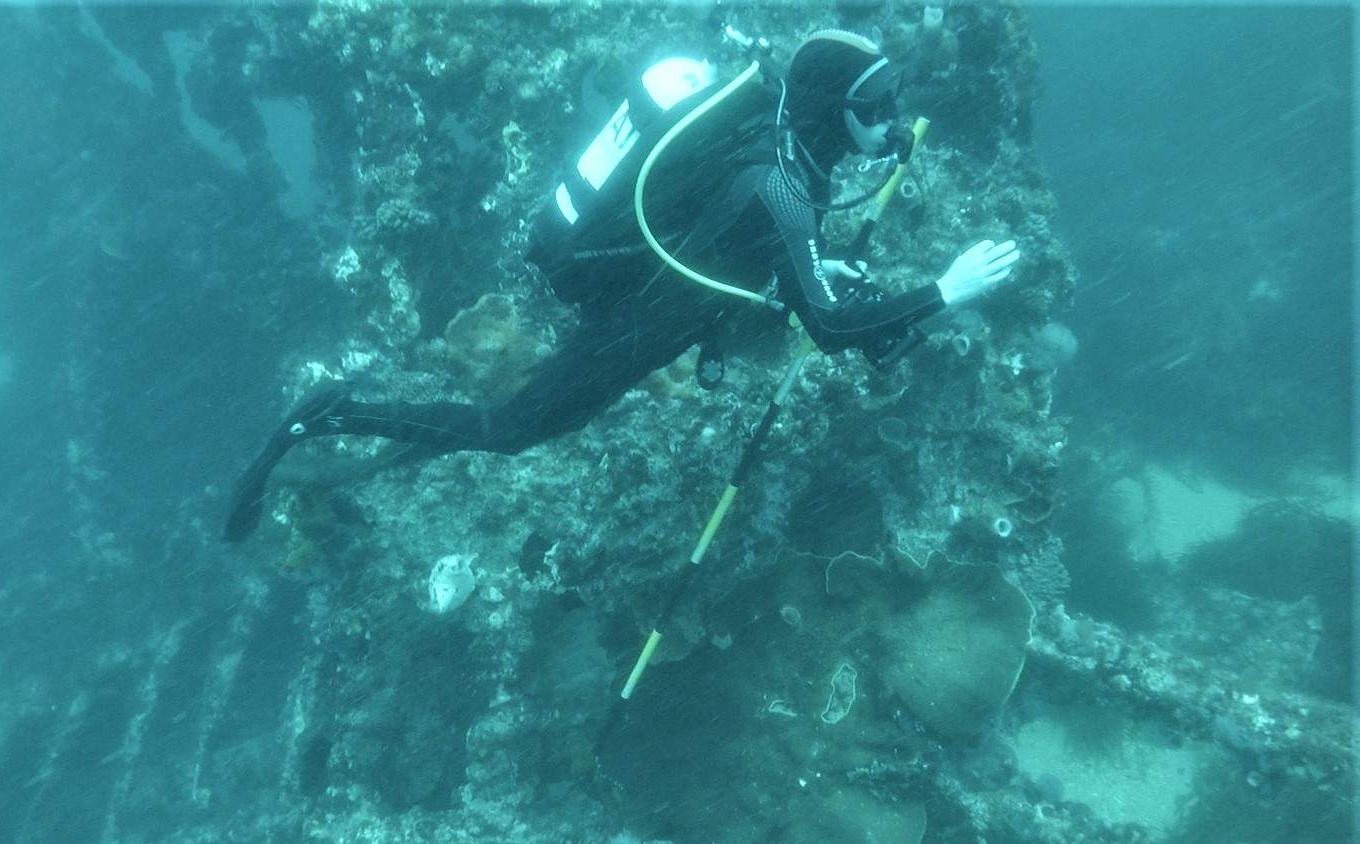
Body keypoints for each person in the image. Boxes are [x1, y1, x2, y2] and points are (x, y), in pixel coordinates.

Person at [224, 30, 1019, 543]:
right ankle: (328, 415)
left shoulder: (783, 155)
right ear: (829, 109)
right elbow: (836, 331)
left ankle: (358, 442)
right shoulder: (782, 182)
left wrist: (811, 268)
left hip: (653, 305)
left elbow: (748, 242)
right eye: (874, 106)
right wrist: (944, 289)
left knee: (517, 422)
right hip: (639, 323)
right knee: (511, 429)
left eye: (891, 102)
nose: (890, 121)